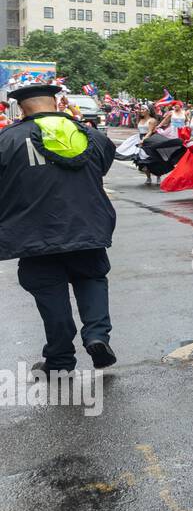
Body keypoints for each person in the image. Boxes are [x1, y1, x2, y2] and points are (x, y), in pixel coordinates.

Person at [0, 80, 119, 374]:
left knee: (49, 293)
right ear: (55, 103)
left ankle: (61, 359)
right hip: (86, 226)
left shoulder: (7, 140)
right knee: (91, 279)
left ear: (22, 108)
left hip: (33, 232)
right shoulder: (90, 136)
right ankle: (96, 335)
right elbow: (101, 167)